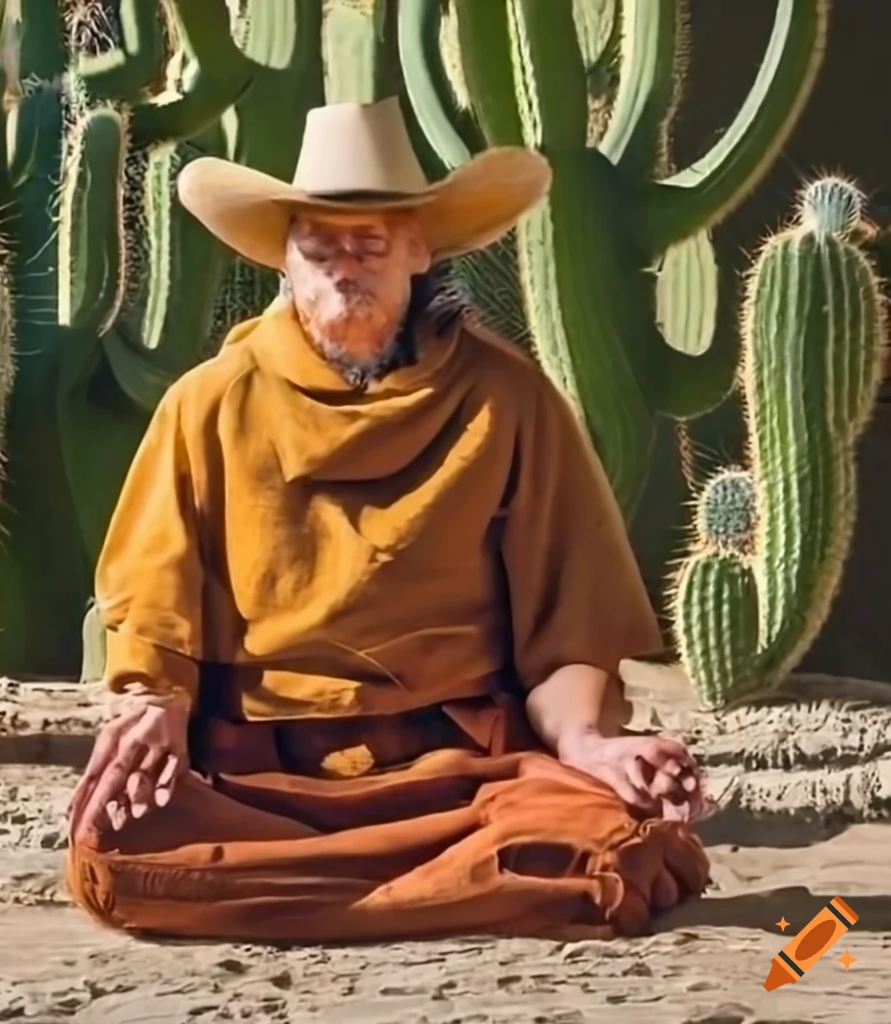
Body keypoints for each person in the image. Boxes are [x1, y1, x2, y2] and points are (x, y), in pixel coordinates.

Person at [65, 97, 710, 942]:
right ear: (283, 263)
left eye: (368, 244)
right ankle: (460, 886)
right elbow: (155, 607)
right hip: (261, 775)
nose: (343, 268)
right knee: (111, 855)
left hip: (463, 770)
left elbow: (569, 624)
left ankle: (335, 891)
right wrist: (150, 707)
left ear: (417, 251)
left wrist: (590, 746)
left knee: (627, 842)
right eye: (318, 247)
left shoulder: (507, 400)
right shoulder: (208, 405)